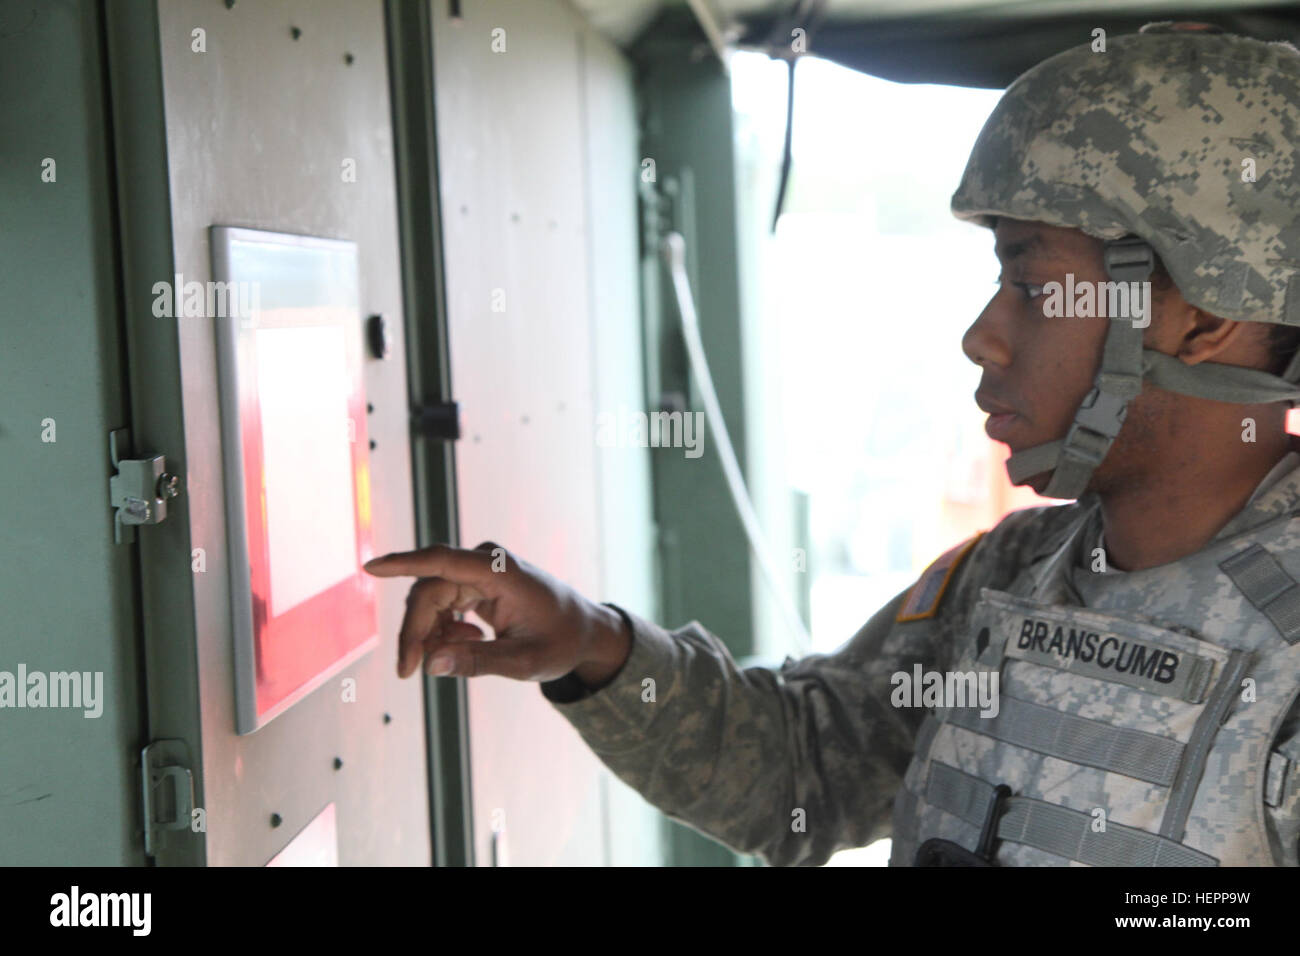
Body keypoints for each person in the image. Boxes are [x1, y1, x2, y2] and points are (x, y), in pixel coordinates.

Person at [364, 23, 1300, 866]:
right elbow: (806, 770)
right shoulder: (1014, 571)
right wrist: (588, 642)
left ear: (1201, 315)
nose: (984, 336)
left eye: (1031, 280)